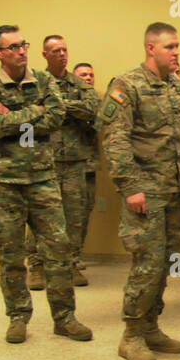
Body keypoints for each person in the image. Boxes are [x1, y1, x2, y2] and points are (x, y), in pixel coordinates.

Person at [0, 25, 91, 344]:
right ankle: (18, 316)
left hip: (42, 177)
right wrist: (34, 114)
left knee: (58, 249)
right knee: (11, 254)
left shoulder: (44, 80)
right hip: (5, 182)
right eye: (12, 47)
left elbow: (56, 118)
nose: (21, 51)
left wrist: (18, 115)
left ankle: (64, 317)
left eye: (22, 44)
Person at [97, 23, 180, 360]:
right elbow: (116, 140)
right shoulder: (127, 85)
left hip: (175, 191)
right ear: (150, 48)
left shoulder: (177, 87)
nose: (176, 53)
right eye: (170, 47)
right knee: (147, 263)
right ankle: (131, 335)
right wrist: (131, 187)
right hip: (145, 192)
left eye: (177, 47)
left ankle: (151, 326)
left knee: (169, 262)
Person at [25, 36, 99, 289]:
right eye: (56, 51)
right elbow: (26, 113)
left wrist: (55, 106)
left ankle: (73, 263)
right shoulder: (33, 82)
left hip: (75, 161)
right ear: (45, 54)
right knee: (39, 216)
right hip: (44, 161)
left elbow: (91, 110)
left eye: (65, 50)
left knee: (74, 216)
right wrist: (52, 109)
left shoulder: (79, 84)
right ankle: (36, 265)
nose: (62, 54)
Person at [72, 62, 99, 267]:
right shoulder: (57, 96)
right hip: (62, 167)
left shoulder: (96, 101)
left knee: (82, 213)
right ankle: (38, 261)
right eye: (83, 75)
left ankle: (74, 256)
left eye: (91, 74)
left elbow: (97, 120)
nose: (88, 78)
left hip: (88, 167)